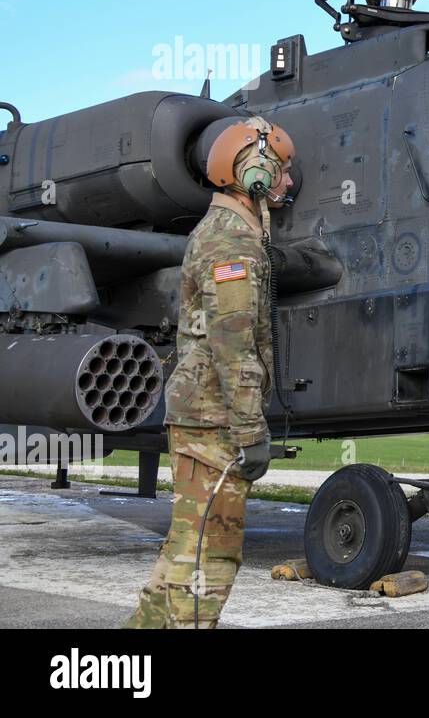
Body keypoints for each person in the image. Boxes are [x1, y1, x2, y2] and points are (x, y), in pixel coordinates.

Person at [126, 116, 295, 629]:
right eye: (282, 170)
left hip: (203, 418)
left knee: (184, 549)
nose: (289, 182)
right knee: (209, 559)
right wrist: (250, 430)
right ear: (254, 173)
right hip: (214, 424)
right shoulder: (232, 244)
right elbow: (233, 344)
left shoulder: (229, 231)